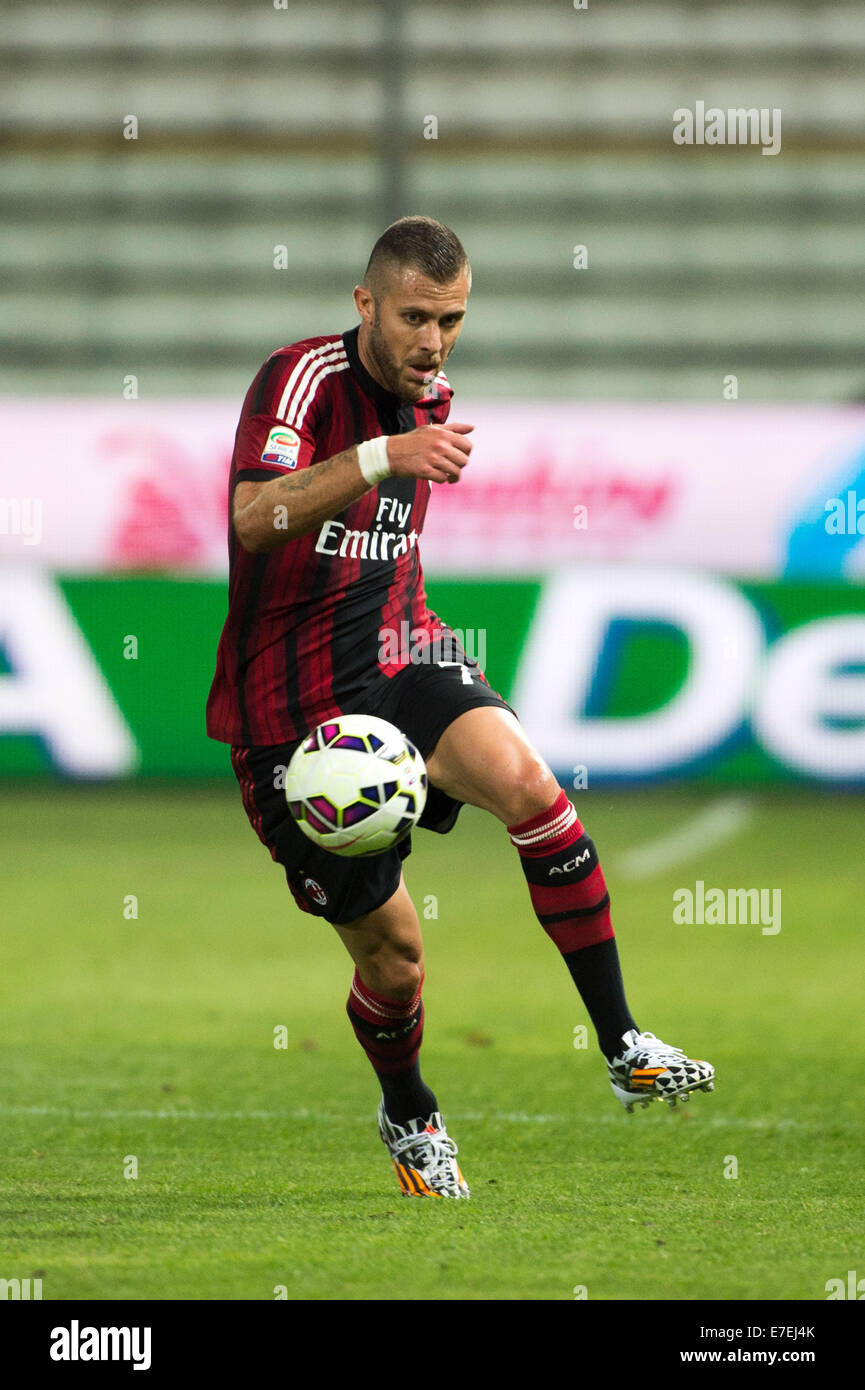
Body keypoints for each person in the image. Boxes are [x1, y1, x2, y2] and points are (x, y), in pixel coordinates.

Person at [206, 216, 714, 1200]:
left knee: (530, 785)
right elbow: (249, 517)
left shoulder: (428, 394)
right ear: (365, 307)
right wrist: (378, 459)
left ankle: (622, 1044)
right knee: (396, 962)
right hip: (294, 720)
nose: (433, 340)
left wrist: (400, 457)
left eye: (451, 319)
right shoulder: (299, 383)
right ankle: (407, 1107)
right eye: (413, 317)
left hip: (402, 655)